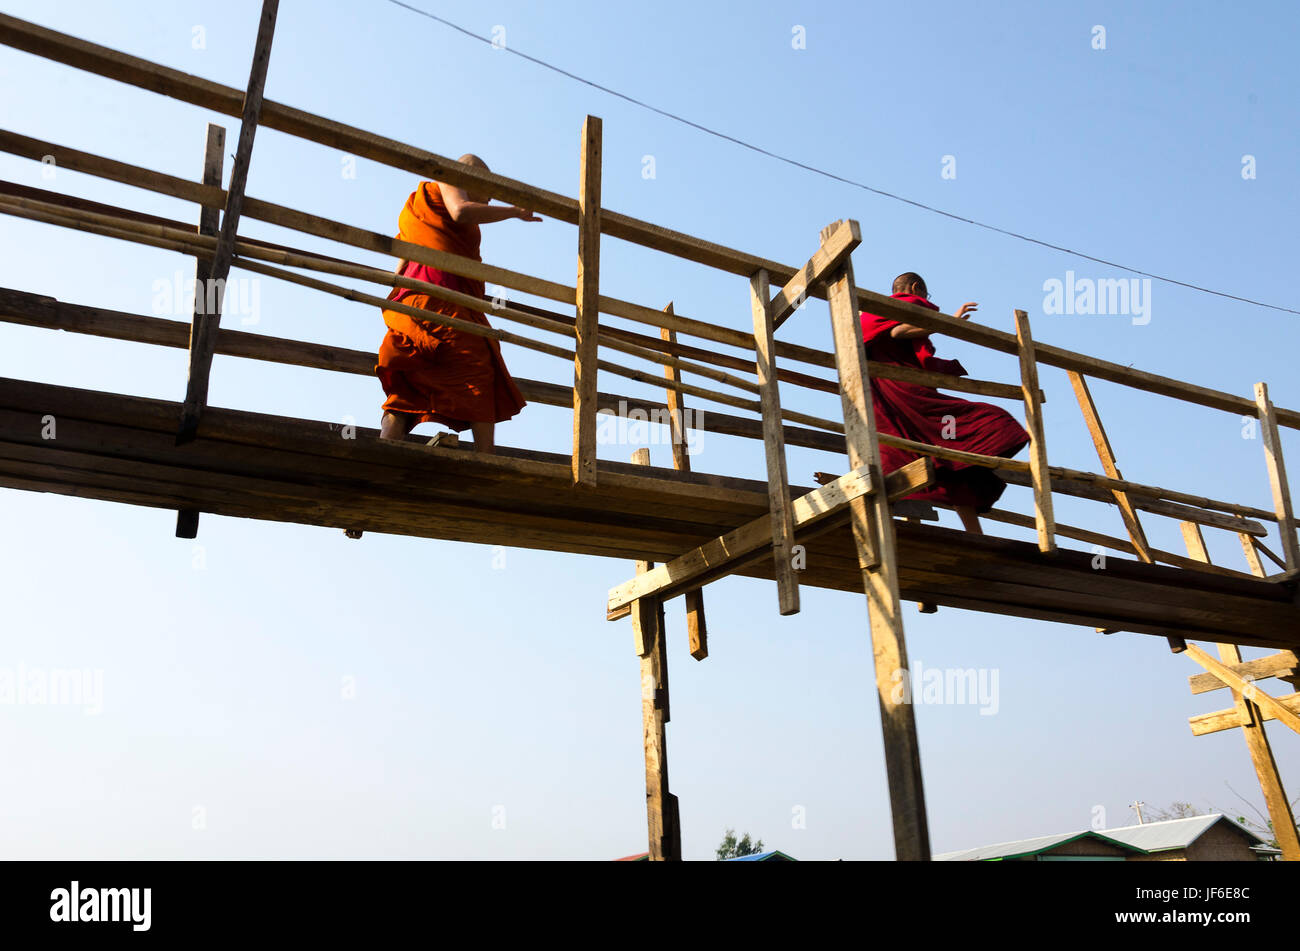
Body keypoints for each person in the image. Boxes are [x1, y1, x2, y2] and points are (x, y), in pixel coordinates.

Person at [375, 154, 539, 453]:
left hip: (423, 299)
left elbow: (402, 259)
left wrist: (396, 296)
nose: (489, 201)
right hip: (439, 299)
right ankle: (484, 460)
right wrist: (514, 211)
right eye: (487, 191)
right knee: (479, 370)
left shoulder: (418, 207)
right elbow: (461, 212)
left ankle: (385, 449)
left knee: (410, 377)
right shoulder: (448, 177)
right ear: (470, 176)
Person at [859, 272, 1030, 534]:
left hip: (888, 401)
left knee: (951, 463)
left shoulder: (871, 313)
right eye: (924, 295)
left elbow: (892, 332)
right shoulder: (901, 303)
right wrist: (947, 322)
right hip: (909, 396)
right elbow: (899, 330)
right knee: (994, 420)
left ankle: (975, 535)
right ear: (916, 288)